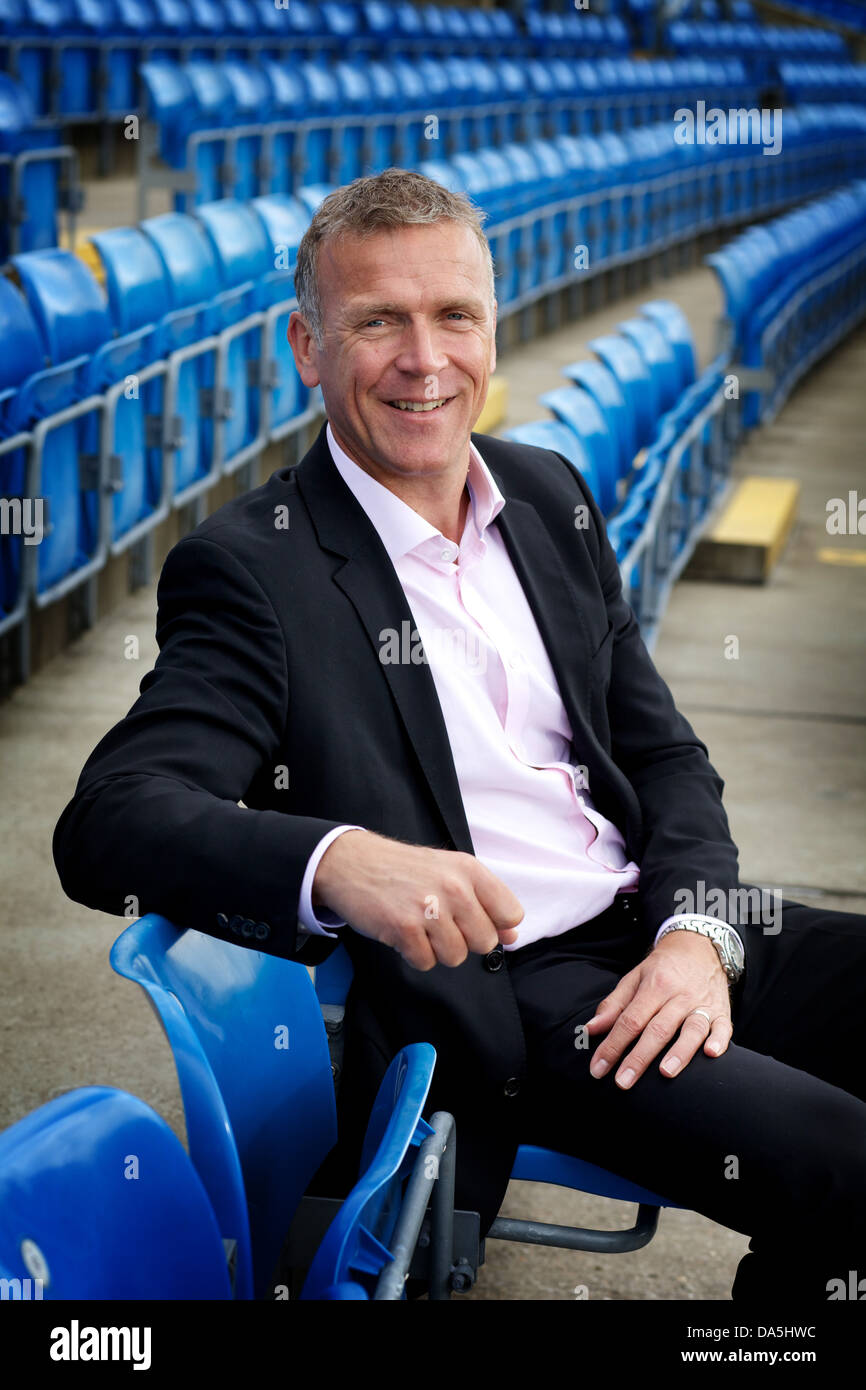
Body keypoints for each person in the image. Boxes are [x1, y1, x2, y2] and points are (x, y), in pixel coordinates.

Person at [53, 169, 865, 1302]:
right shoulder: (254, 570)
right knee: (842, 1160)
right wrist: (342, 862)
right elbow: (109, 822)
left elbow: (667, 757)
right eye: (375, 320)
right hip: (515, 997)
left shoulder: (545, 494)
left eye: (453, 316)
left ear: (494, 323)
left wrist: (693, 932)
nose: (422, 360)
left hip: (662, 927)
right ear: (305, 345)